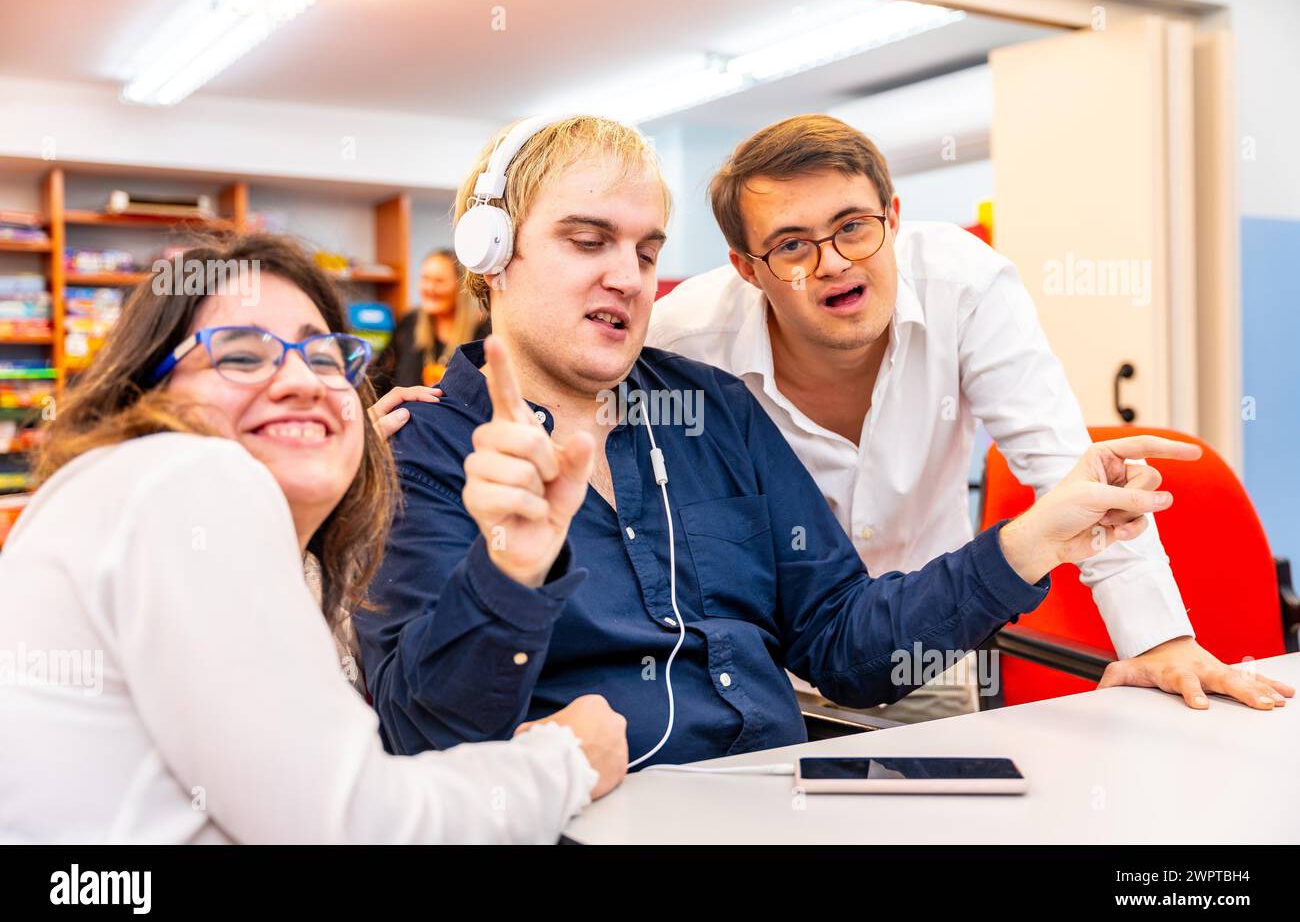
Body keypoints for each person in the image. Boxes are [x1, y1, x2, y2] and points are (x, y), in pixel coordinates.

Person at [356, 115, 1209, 770]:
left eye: (647, 251)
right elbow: (425, 732)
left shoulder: (709, 407)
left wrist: (1031, 541)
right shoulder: (421, 451)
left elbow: (843, 645)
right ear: (491, 253)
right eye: (588, 241)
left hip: (785, 795)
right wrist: (507, 570)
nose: (627, 276)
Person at [647, 114, 1294, 719]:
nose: (834, 261)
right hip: (758, 674)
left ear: (894, 218)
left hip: (925, 646)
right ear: (747, 269)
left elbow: (1069, 475)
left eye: (853, 226)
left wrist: (1158, 643)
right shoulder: (682, 343)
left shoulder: (967, 286)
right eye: (792, 245)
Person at [0, 232, 626, 843]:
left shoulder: (287, 560)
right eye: (241, 355)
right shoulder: (186, 475)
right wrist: (565, 760)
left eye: (325, 358)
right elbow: (353, 825)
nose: (303, 383)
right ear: (144, 394)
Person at [372, 248, 489, 395]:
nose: (429, 288)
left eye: (439, 281)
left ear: (461, 287)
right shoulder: (409, 323)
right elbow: (380, 379)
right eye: (425, 279)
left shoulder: (485, 333)